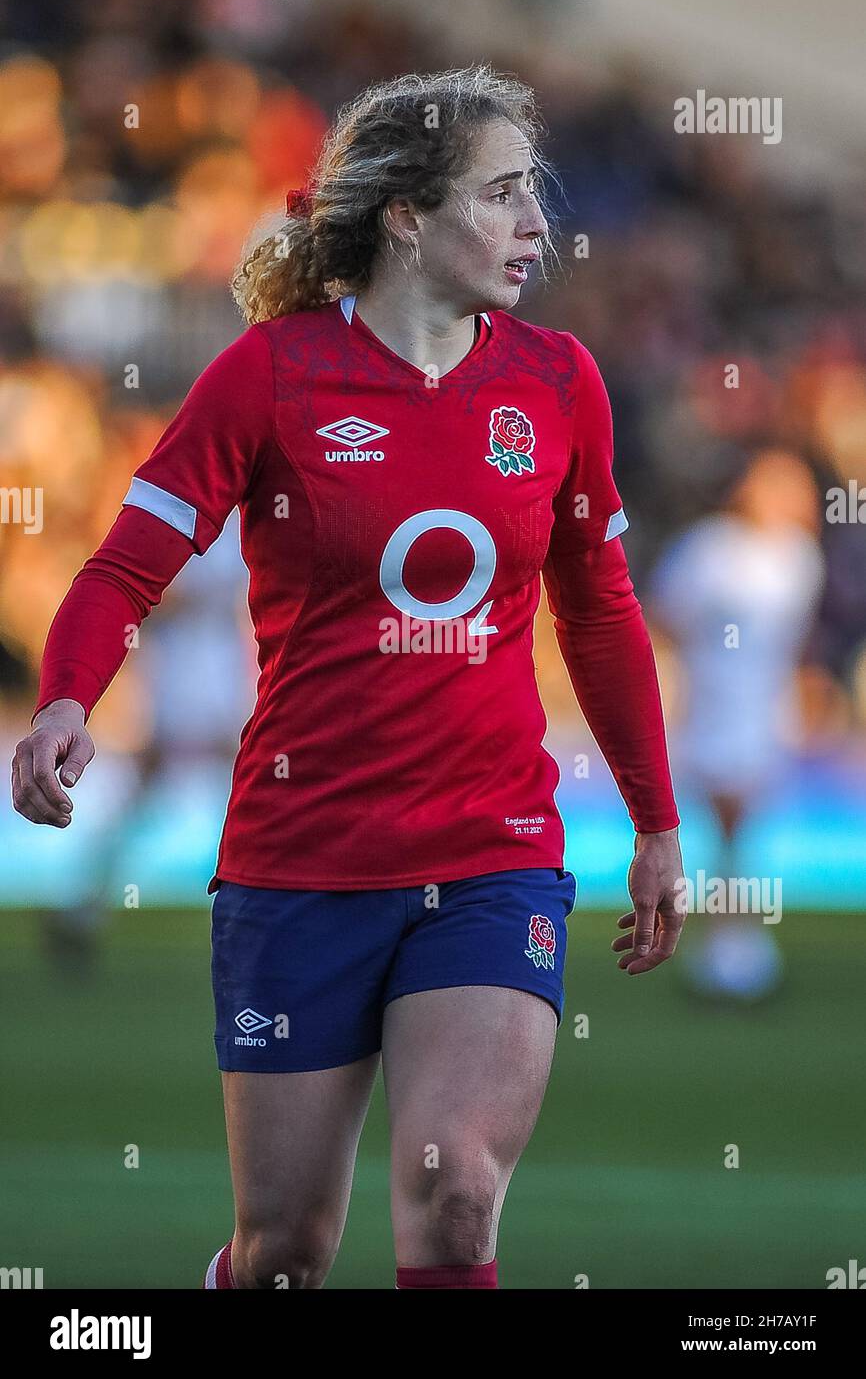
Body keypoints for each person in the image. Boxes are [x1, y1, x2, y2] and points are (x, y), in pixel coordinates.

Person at [11, 65, 684, 1290]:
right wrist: (67, 696)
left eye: (533, 193)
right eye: (501, 195)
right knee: (284, 1254)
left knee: (455, 1194)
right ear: (406, 217)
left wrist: (654, 821)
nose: (537, 224)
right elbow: (125, 565)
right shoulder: (269, 376)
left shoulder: (556, 382)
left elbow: (600, 610)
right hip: (302, 857)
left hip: (492, 849)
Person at [649, 448, 824, 1000]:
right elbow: (663, 618)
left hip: (764, 712)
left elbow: (791, 643)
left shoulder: (798, 558)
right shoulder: (707, 548)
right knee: (726, 826)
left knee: (741, 834)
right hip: (710, 709)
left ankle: (730, 946)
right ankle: (729, 945)